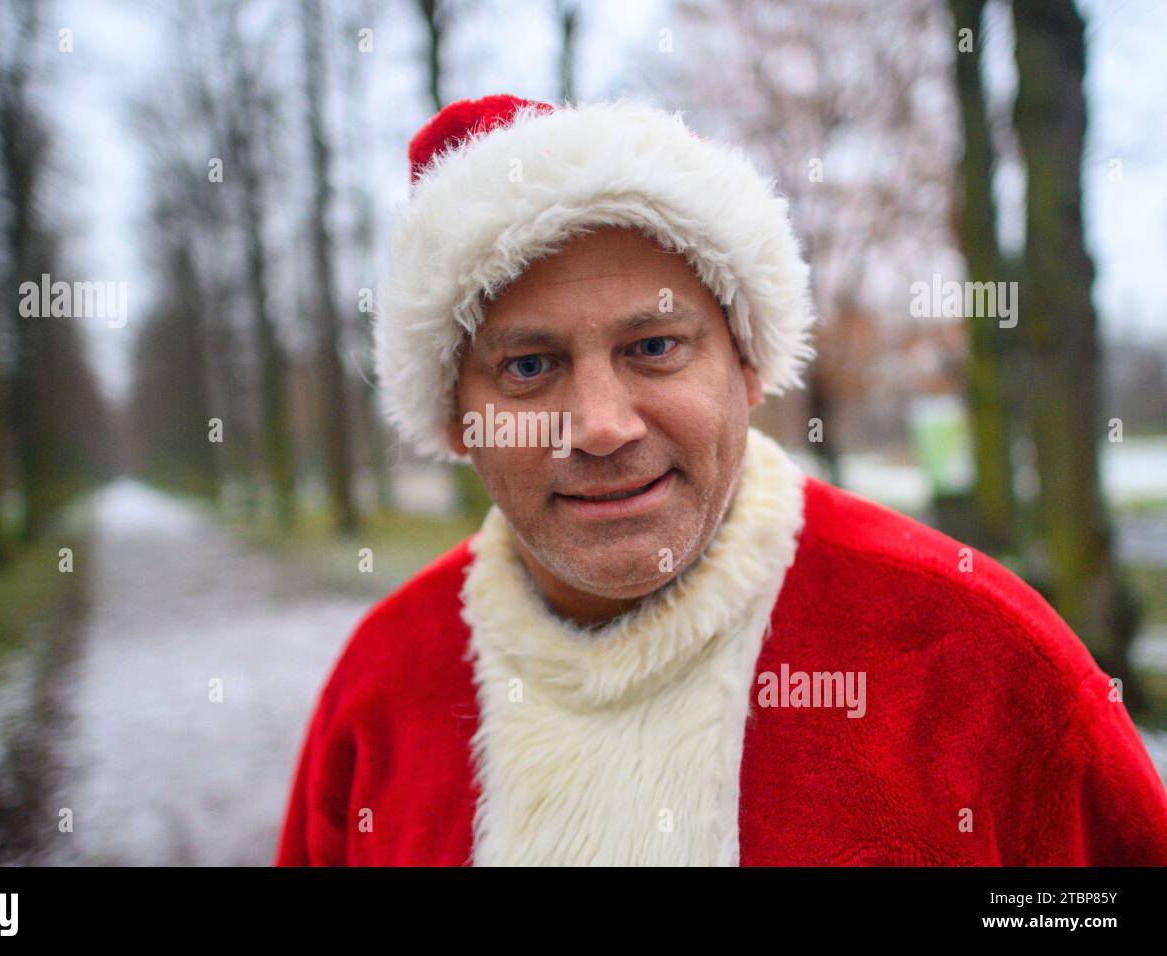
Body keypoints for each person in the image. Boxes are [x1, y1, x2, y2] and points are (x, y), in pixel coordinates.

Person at [274, 94, 1167, 866]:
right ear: (456, 417)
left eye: (654, 348)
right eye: (529, 366)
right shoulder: (381, 690)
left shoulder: (977, 661)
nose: (601, 425)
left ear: (745, 367)